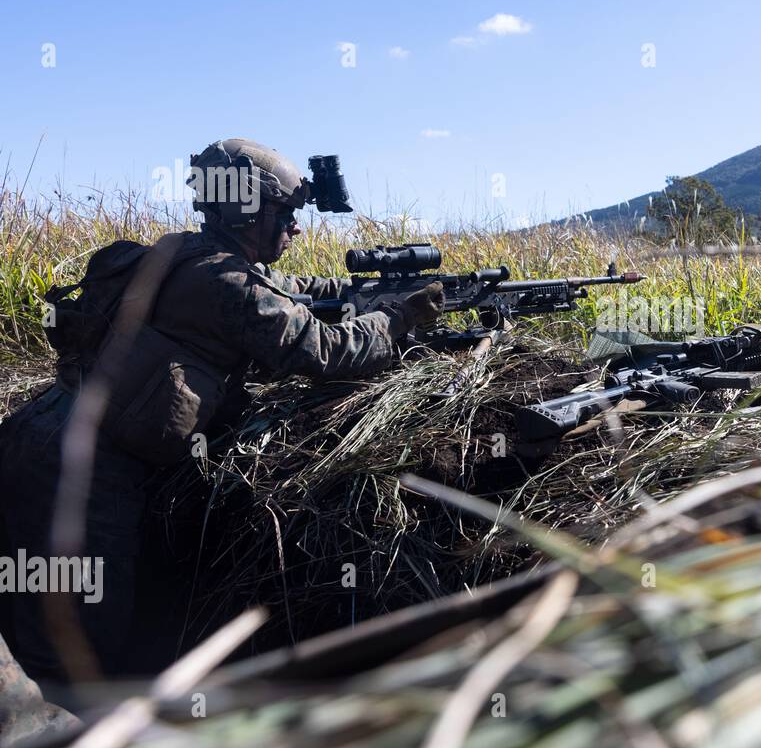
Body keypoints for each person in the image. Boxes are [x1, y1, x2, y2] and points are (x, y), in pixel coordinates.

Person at [0, 138, 444, 681]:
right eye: (286, 212)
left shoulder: (185, 255)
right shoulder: (225, 284)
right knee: (77, 654)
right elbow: (325, 353)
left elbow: (294, 291)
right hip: (82, 470)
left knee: (37, 619)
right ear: (247, 211)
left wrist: (373, 291)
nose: (297, 226)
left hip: (42, 435)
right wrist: (396, 320)